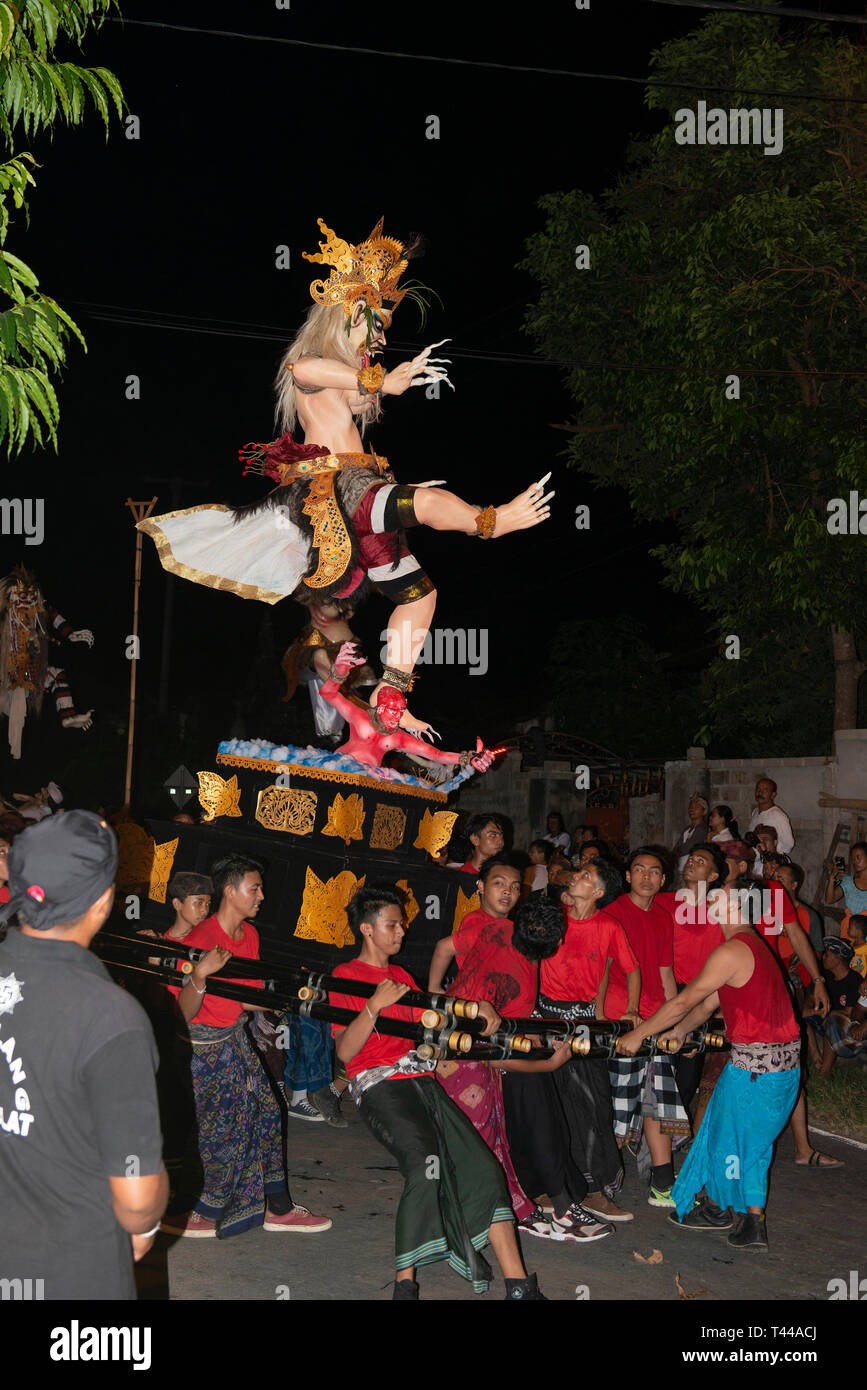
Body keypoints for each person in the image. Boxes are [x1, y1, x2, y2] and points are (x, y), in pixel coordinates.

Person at [138, 217, 553, 729]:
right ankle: (490, 520)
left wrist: (389, 381)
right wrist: (381, 378)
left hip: (360, 500)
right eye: (373, 326)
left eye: (382, 331)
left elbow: (363, 391)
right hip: (340, 490)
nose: (378, 340)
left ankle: (391, 696)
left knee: (420, 596)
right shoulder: (310, 367)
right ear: (348, 315)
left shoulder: (350, 382)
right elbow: (310, 372)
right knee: (419, 503)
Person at [330, 885, 545, 1299]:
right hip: (379, 1086)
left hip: (422, 1082)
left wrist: (476, 1007)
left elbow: (436, 1011)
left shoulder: (403, 977)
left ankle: (520, 1287)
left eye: (401, 924)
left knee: (484, 1169)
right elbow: (345, 1051)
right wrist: (372, 1006)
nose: (401, 932)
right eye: (392, 925)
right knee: (425, 1166)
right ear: (366, 929)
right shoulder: (346, 977)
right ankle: (405, 1287)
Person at [0, 811, 168, 1298]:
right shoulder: (111, 1019)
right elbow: (136, 1196)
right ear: (102, 901)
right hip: (70, 1274)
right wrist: (149, 1218)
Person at [617, 873, 802, 1251]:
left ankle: (722, 1211)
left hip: (755, 1071)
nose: (709, 903)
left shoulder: (731, 951)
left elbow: (685, 1000)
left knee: (725, 1138)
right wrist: (682, 1031)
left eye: (718, 897)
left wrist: (638, 1035)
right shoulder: (752, 946)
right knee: (748, 1142)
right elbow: (708, 1003)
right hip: (779, 1070)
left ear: (736, 906)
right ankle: (750, 1219)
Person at [161, 853, 332, 1238]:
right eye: (254, 888)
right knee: (225, 1129)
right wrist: (201, 975)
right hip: (202, 1049)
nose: (262, 896)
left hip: (234, 1038)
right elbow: (180, 1012)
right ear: (230, 891)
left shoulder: (249, 936)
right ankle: (201, 1211)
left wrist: (295, 996)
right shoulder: (199, 939)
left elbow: (247, 999)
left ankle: (279, 1208)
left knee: (270, 1113)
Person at [539, 861, 638, 1222]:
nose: (576, 877)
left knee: (592, 1104)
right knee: (547, 1105)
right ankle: (548, 1185)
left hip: (582, 1022)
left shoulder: (609, 925)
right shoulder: (555, 915)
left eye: (585, 877)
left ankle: (595, 1190)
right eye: (577, 873)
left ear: (598, 892)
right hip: (543, 1018)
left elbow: (632, 969)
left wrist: (630, 1008)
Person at [605, 848, 688, 1208]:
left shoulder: (663, 918)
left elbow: (666, 973)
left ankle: (663, 1182)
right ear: (627, 875)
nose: (646, 877)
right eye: (638, 869)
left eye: (654, 872)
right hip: (617, 1022)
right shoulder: (611, 914)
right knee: (612, 1105)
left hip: (654, 1021)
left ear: (663, 880)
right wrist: (614, 1014)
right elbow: (602, 971)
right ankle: (601, 1180)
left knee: (658, 1103)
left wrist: (677, 1023)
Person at [320, 641, 493, 774]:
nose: (398, 716)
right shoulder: (360, 718)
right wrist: (340, 670)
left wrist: (469, 758)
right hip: (338, 770)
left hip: (368, 779)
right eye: (393, 710)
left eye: (401, 711)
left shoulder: (398, 737)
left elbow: (436, 755)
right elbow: (328, 694)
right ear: (380, 709)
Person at [804, 938, 864, 1078]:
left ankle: (825, 1072)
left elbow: (851, 1014)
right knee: (801, 1017)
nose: (823, 957)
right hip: (826, 1019)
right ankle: (817, 1058)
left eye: (827, 954)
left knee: (831, 1022)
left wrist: (827, 1013)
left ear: (838, 958)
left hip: (848, 1028)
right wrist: (811, 1010)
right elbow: (809, 1000)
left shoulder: (854, 980)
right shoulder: (825, 977)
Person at [825, 841, 867, 938]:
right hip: (849, 933)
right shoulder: (848, 882)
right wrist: (832, 877)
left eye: (858, 857)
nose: (855, 861)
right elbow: (829, 900)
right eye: (853, 859)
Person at [747, 777, 794, 856]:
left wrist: (771, 853)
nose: (760, 793)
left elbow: (789, 844)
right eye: (758, 789)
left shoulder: (778, 815)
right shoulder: (755, 812)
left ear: (773, 795)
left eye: (765, 790)